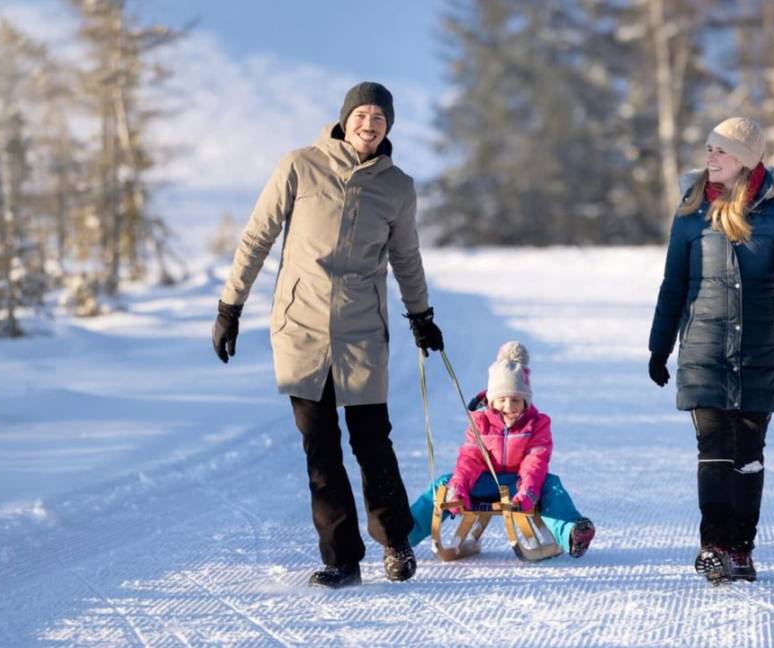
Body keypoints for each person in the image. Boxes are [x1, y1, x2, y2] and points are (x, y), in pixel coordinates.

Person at [212, 81, 444, 589]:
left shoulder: (397, 187)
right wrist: (231, 306)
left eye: (379, 118)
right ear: (344, 119)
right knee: (320, 450)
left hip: (362, 329)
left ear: (388, 127)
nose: (369, 124)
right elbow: (257, 237)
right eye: (361, 115)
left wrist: (421, 315)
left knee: (372, 441)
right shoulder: (299, 166)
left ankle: (396, 540)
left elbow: (406, 256)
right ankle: (342, 559)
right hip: (301, 327)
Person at [647, 117, 774, 583]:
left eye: (721, 150)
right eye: (709, 148)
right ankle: (714, 545)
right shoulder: (691, 210)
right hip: (704, 349)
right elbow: (673, 284)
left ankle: (741, 549)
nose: (710, 156)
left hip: (760, 349)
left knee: (749, 451)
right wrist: (659, 346)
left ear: (745, 159)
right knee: (715, 446)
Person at [406, 341, 595, 558]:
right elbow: (470, 457)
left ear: (526, 400)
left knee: (552, 486)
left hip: (518, 484)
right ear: (491, 401)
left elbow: (535, 461)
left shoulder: (537, 424)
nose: (509, 406)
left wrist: (528, 491)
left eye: (516, 400)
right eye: (502, 400)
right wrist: (459, 486)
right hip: (484, 481)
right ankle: (403, 533)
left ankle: (572, 533)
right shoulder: (480, 422)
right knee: (443, 485)